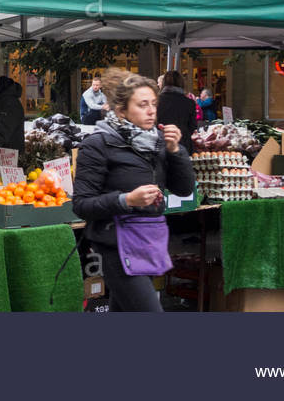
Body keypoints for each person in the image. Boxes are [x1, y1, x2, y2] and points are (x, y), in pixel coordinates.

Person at [72, 69, 194, 312]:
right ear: (121, 111)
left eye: (153, 104)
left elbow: (184, 188)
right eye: (142, 105)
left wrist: (175, 151)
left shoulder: (157, 141)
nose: (151, 111)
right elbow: (82, 204)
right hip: (115, 244)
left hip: (149, 239)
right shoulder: (98, 144)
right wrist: (126, 200)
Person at [156, 70, 197, 153]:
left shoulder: (156, 100)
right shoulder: (189, 103)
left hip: (160, 144)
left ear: (164, 83)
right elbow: (192, 126)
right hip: (183, 144)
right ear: (182, 83)